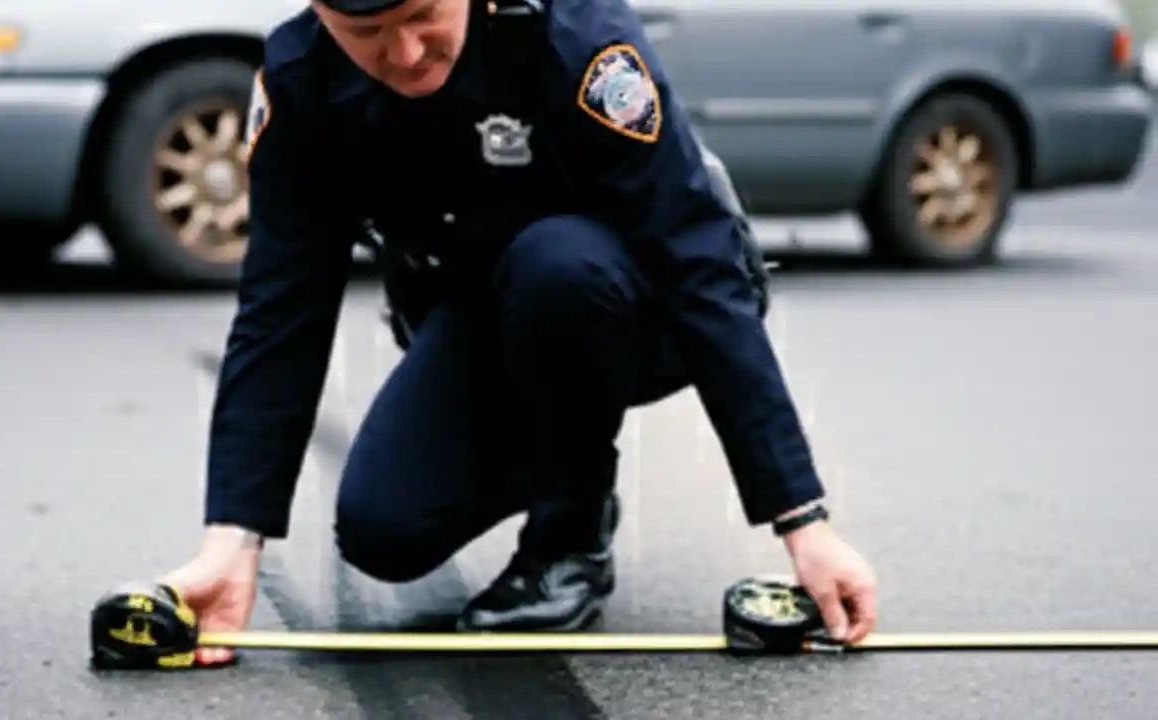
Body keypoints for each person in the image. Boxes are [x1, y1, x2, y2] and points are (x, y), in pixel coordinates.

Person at [162, 0, 878, 665]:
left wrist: (802, 521)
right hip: (483, 309)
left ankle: (568, 539)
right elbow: (280, 313)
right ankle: (563, 456)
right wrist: (233, 538)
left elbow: (700, 266)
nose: (406, 53)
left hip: (644, 299)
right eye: (368, 35)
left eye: (422, 15)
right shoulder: (302, 85)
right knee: (383, 530)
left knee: (557, 266)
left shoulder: (575, 40)